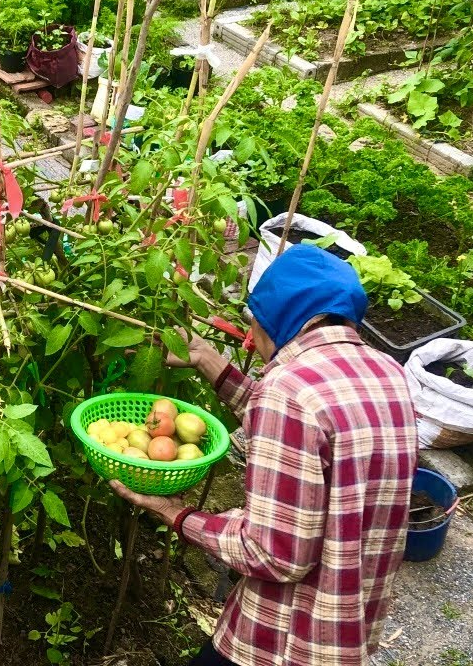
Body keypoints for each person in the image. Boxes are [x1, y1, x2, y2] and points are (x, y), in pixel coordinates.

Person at [111, 244, 418, 666]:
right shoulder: (387, 373)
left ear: (273, 320)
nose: (252, 338)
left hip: (286, 637)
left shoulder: (287, 393)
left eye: (253, 324)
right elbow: (306, 432)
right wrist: (207, 360)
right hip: (349, 618)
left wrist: (177, 515)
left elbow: (273, 553)